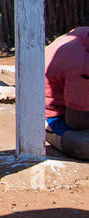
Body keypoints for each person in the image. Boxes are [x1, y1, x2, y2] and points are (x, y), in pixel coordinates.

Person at [45, 27, 89, 159]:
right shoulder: (82, 64)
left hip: (77, 105)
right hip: (54, 116)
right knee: (85, 145)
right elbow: (76, 122)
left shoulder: (83, 33)